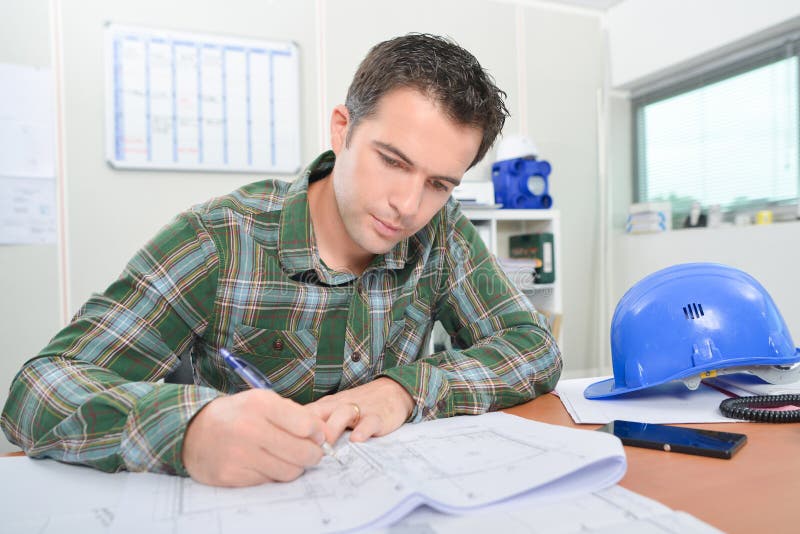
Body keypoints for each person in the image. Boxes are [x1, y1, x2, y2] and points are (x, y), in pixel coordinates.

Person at [1, 33, 561, 487]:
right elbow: (38, 390)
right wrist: (189, 428)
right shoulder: (217, 238)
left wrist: (406, 389)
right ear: (343, 129)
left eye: (439, 183)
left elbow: (533, 347)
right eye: (392, 161)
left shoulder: (440, 232)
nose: (409, 205)